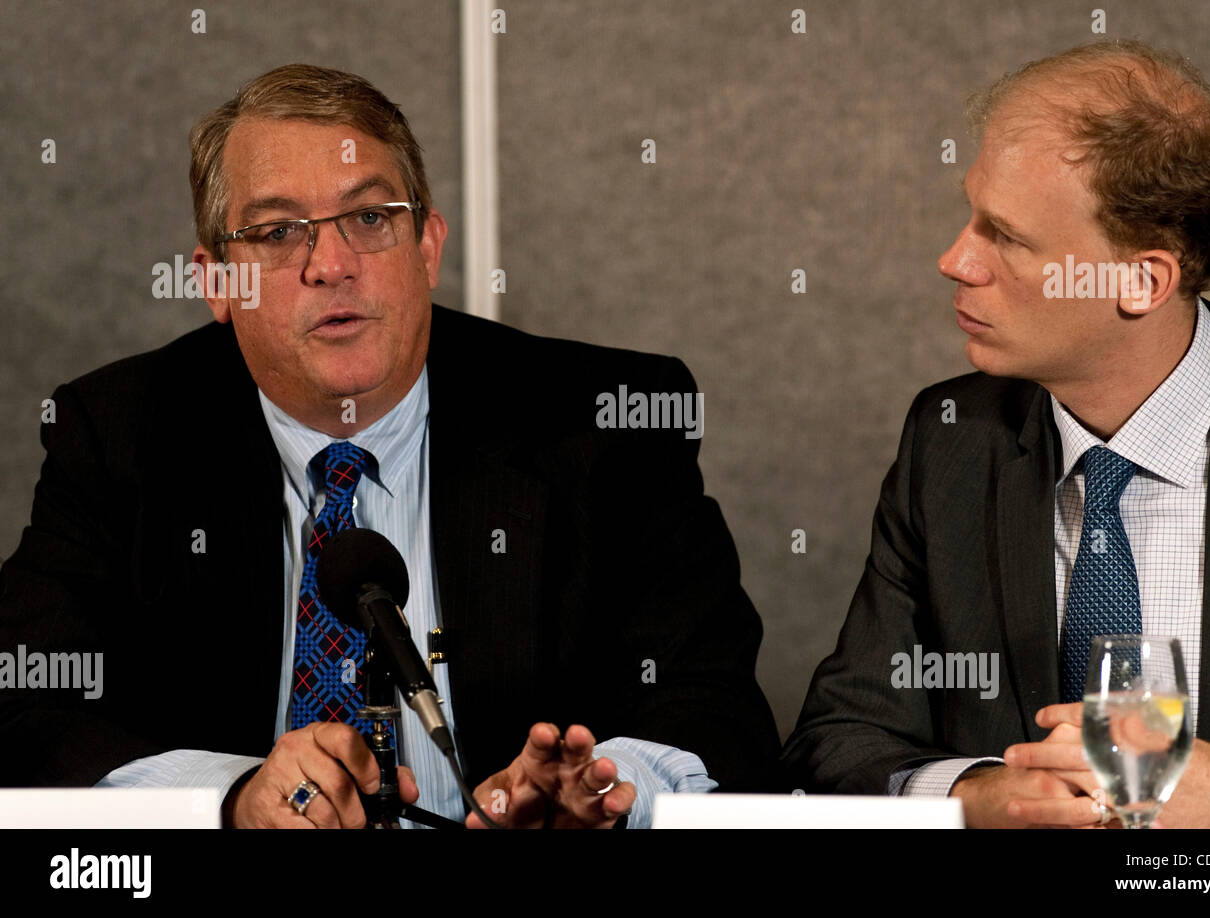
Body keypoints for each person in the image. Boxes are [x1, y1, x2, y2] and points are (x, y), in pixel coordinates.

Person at [0, 64, 779, 828]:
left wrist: (607, 790)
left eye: (369, 218)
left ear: (428, 245)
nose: (331, 265)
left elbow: (713, 704)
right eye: (276, 232)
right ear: (217, 285)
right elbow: (27, 705)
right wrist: (233, 800)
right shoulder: (122, 432)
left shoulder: (604, 426)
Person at [782, 40, 1210, 828]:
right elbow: (838, 743)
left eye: (1007, 238)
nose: (955, 260)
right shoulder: (951, 440)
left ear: (1141, 281)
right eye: (970, 217)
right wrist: (971, 798)